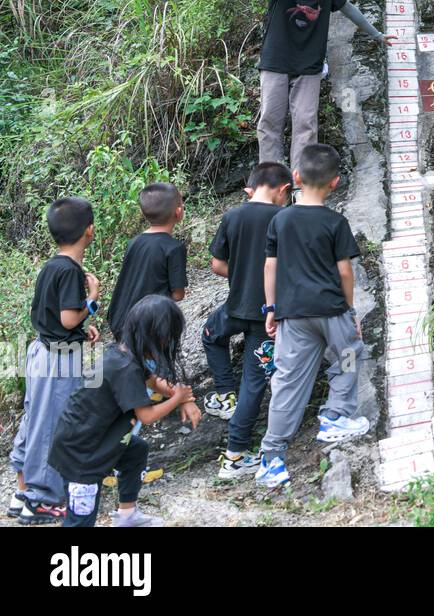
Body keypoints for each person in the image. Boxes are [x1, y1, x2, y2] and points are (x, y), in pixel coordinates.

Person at [256, 143, 369, 488]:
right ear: (335, 183)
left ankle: (272, 459)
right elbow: (345, 272)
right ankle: (336, 414)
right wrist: (350, 311)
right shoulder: (336, 222)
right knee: (349, 355)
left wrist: (271, 308)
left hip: (293, 315)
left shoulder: (280, 219)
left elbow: (270, 266)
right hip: (332, 309)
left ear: (296, 177)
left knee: (287, 382)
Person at [48, 294, 200, 527]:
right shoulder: (124, 368)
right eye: (168, 338)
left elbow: (155, 382)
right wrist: (178, 398)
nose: (168, 344)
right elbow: (146, 416)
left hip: (98, 438)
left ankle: (127, 516)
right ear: (156, 335)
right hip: (82, 455)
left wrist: (183, 398)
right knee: (80, 521)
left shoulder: (124, 354)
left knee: (136, 450)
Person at [257, 0, 397, 174]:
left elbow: (348, 9)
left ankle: (301, 184)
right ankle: (270, 183)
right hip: (276, 60)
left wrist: (376, 33)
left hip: (309, 64)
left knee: (306, 125)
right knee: (269, 121)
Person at [8, 197, 101, 525]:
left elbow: (54, 317)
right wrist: (91, 301)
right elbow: (66, 318)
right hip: (58, 361)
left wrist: (82, 329)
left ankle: (22, 492)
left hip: (41, 351)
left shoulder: (52, 266)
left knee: (35, 419)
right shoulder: (70, 271)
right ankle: (41, 500)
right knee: (50, 427)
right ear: (89, 231)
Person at [203, 161, 292, 480]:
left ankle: (225, 394)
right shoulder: (284, 218)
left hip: (234, 307)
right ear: (283, 189)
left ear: (249, 189)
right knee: (254, 384)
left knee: (210, 335)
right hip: (266, 316)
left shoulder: (232, 216)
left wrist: (242, 273)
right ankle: (235, 456)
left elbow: (216, 264)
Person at [107, 182, 187, 341]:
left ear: (143, 214)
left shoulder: (134, 242)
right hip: (147, 325)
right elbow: (178, 295)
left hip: (119, 319)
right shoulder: (174, 248)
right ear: (178, 212)